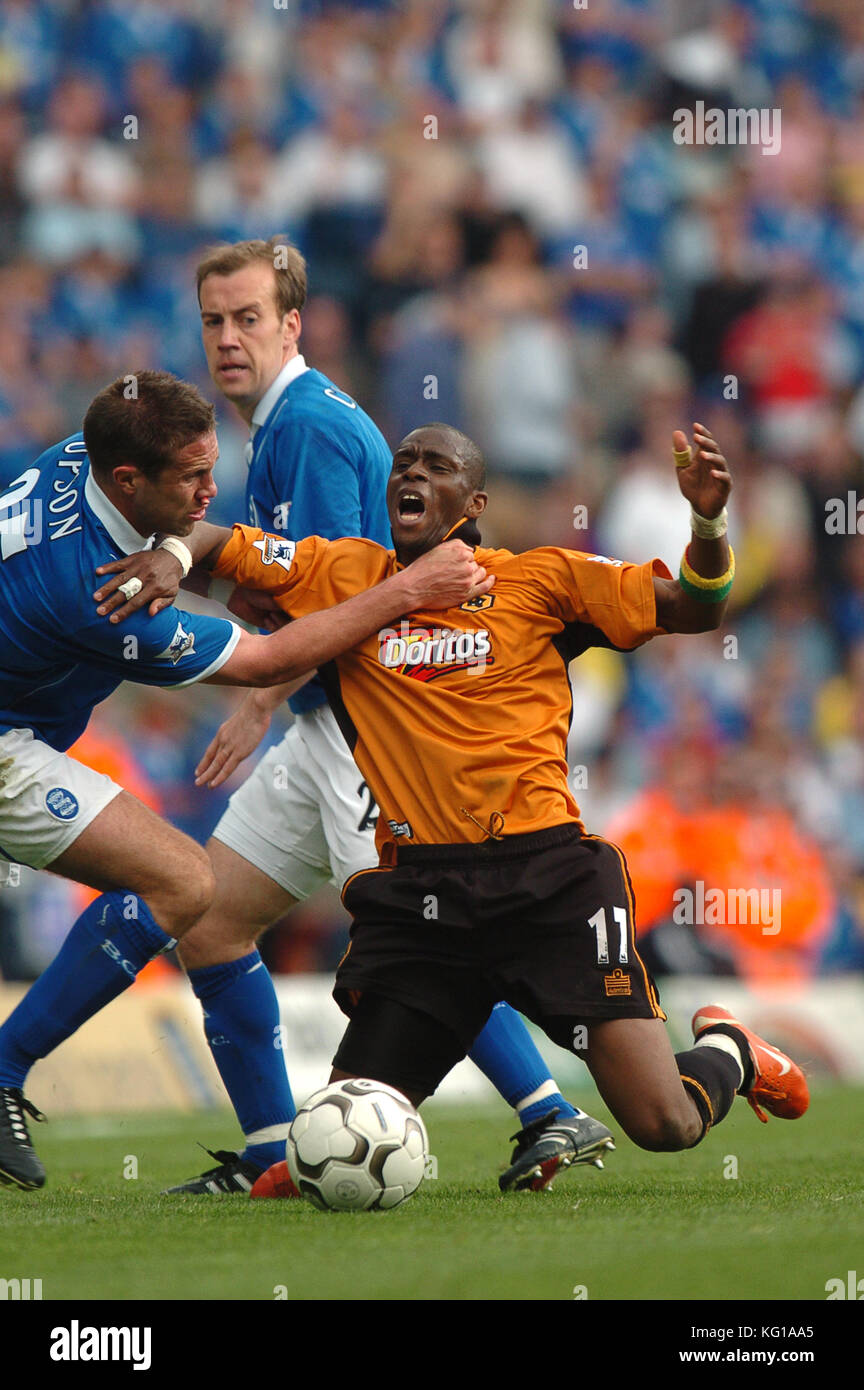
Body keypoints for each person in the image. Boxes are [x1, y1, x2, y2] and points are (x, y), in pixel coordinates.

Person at [104, 418, 808, 1173]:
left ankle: (730, 1047)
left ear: (471, 501)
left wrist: (707, 521)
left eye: (435, 465)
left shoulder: (542, 579)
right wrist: (175, 555)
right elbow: (221, 540)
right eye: (404, 463)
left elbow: (697, 608)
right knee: (335, 1143)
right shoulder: (342, 572)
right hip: (423, 901)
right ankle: (331, 1152)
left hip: (549, 883)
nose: (411, 473)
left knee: (664, 1122)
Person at [132, 235, 612, 1196]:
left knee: (432, 937)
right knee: (211, 923)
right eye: (213, 323)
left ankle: (553, 1114)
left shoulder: (306, 427)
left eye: (247, 320)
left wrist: (261, 691)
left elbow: (348, 600)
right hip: (318, 728)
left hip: (359, 733)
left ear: (291, 324)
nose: (227, 339)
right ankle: (272, 1152)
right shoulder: (281, 425)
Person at [0, 372, 488, 1191]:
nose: (211, 491)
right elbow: (268, 660)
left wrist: (211, 561)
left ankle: (269, 1148)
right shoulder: (95, 596)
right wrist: (407, 590)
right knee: (183, 881)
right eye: (191, 479)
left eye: (211, 466)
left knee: (200, 901)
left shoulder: (83, 453)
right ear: (128, 480)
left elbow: (193, 557)